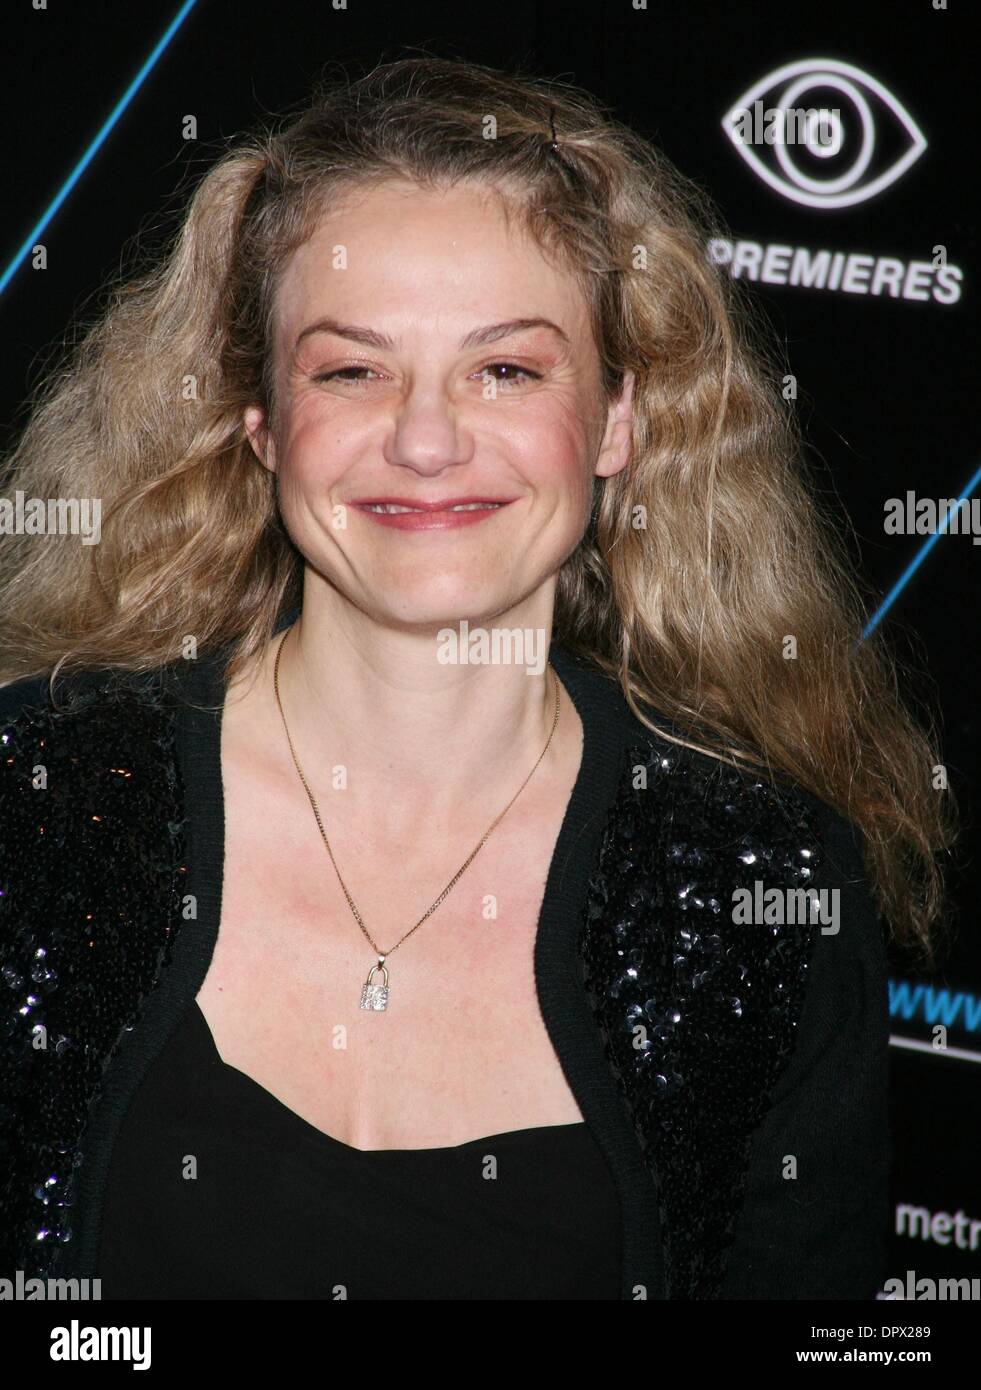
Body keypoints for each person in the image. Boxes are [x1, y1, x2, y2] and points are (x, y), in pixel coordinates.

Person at [0, 55, 953, 1301]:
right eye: (352, 369)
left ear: (618, 419)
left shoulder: (762, 883)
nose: (428, 437)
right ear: (261, 425)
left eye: (507, 369)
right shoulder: (35, 797)